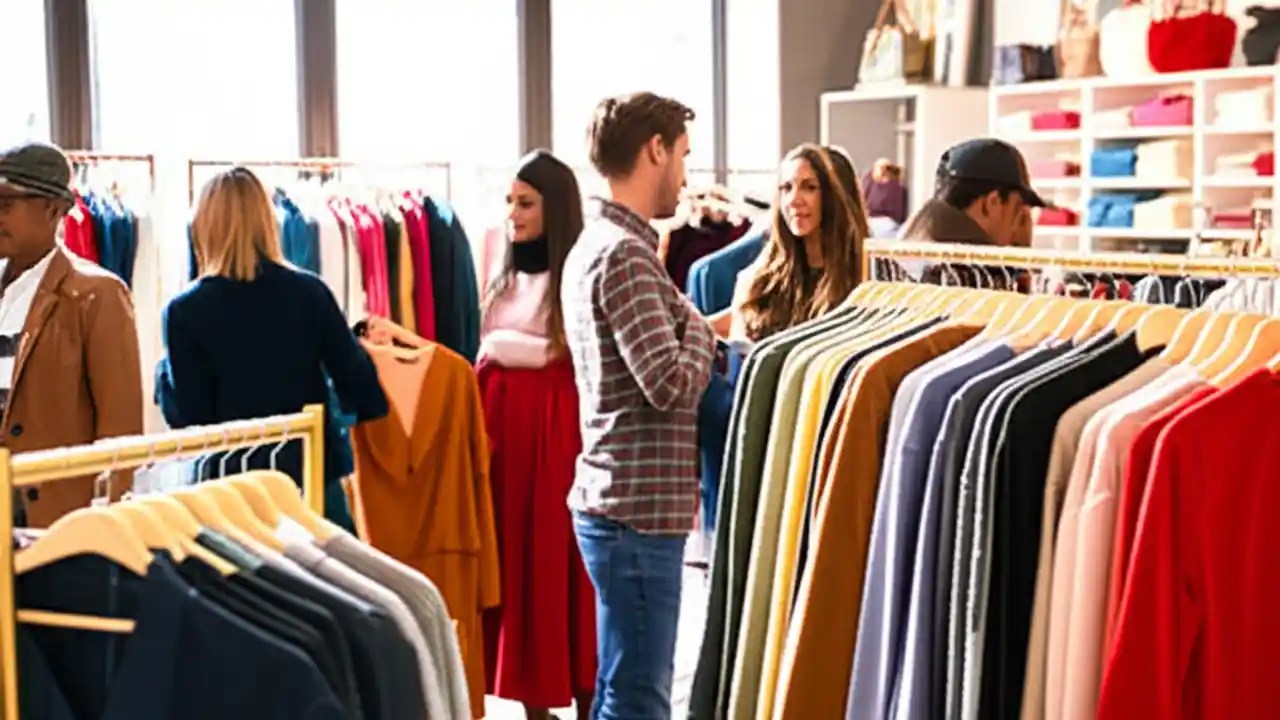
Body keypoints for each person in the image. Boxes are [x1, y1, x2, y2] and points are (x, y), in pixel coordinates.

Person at [560, 91, 716, 719]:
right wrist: (701, 330)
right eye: (682, 155)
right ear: (655, 150)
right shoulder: (625, 256)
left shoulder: (598, 244)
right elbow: (670, 383)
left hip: (620, 506)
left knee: (621, 687)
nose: (684, 174)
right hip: (638, 515)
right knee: (640, 697)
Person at [155, 167, 388, 506]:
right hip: (311, 479)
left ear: (203, 227)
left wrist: (164, 378)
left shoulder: (184, 312)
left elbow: (192, 421)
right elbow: (363, 389)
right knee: (330, 560)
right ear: (267, 221)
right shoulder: (311, 293)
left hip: (234, 487)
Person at [477, 149, 596, 719]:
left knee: (559, 564)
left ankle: (587, 693)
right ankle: (534, 704)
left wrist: (498, 350)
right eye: (509, 202)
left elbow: (564, 353)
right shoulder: (501, 269)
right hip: (507, 441)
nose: (513, 213)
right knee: (519, 566)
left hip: (556, 438)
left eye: (525, 202)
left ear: (556, 206)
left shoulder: (577, 273)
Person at [0, 142, 142, 527]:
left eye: (7, 204)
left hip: (54, 521)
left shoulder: (97, 295)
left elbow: (120, 433)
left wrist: (102, 528)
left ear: (52, 209)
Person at [708, 142, 870, 343]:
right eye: (786, 188)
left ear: (835, 198)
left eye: (809, 187)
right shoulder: (759, 281)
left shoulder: (870, 281)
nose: (793, 200)